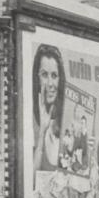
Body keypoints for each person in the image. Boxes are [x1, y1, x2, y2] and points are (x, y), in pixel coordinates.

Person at [32, 44, 64, 172]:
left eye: (54, 76)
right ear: (37, 78)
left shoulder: (66, 125)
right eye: (45, 75)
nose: (50, 84)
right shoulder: (30, 124)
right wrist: (42, 133)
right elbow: (32, 181)